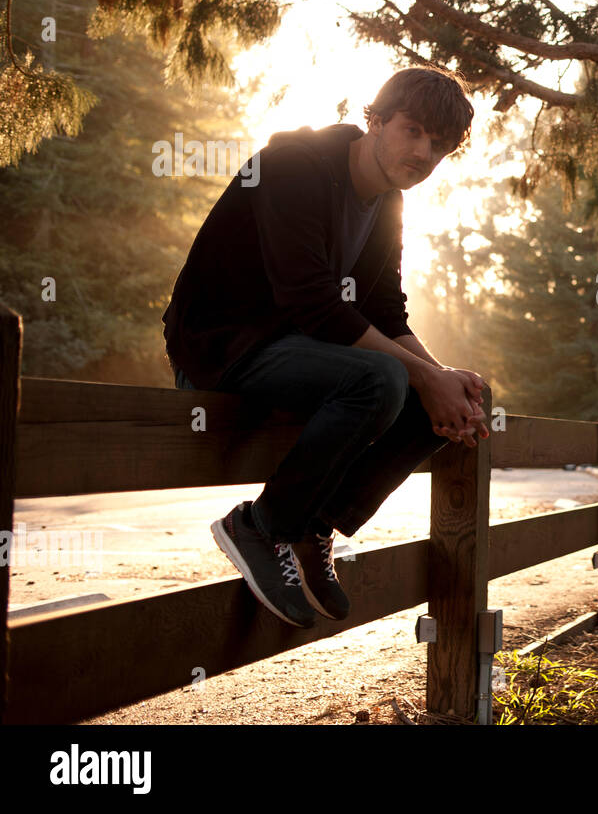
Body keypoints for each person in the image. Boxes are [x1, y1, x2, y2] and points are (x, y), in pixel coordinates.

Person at [162, 66, 489, 628]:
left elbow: (385, 310)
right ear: (377, 119)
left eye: (438, 146)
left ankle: (315, 524)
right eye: (412, 131)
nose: (422, 153)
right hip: (222, 348)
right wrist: (421, 376)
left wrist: (442, 378)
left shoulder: (388, 201)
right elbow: (309, 298)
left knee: (445, 396)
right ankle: (260, 527)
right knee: (385, 379)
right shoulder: (296, 165)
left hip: (301, 353)